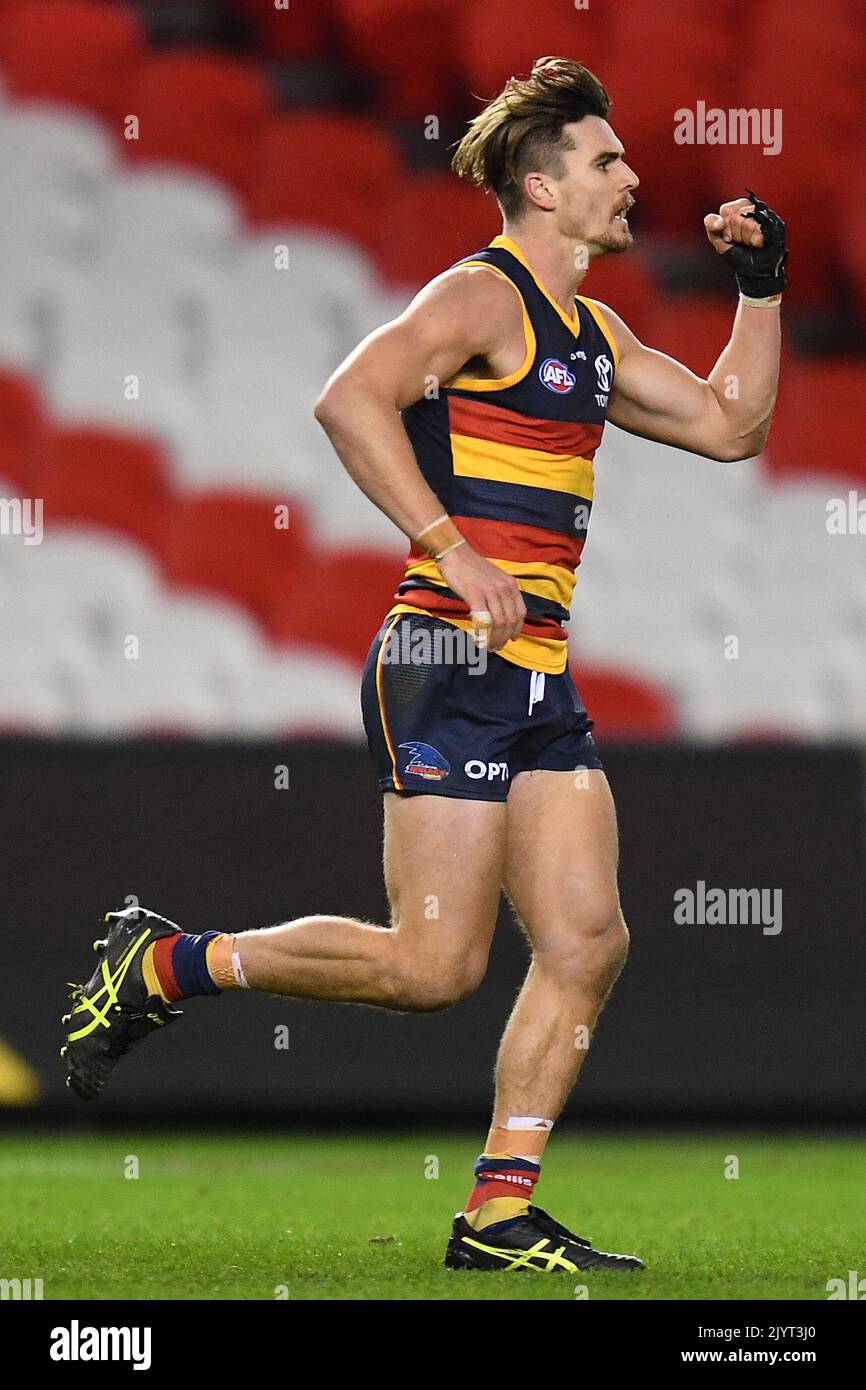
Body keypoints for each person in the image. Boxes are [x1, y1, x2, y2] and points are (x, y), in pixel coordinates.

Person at [62, 55, 786, 1275]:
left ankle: (497, 1210)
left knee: (588, 938)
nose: (630, 178)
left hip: (537, 676)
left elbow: (730, 425)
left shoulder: (590, 330)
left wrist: (758, 288)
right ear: (541, 188)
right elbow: (349, 398)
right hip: (446, 656)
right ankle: (169, 962)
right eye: (605, 161)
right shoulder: (479, 296)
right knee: (431, 965)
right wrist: (447, 550)